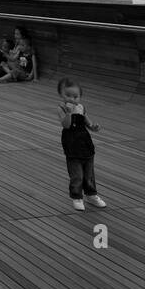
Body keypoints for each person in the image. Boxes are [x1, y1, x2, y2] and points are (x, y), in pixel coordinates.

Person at [57, 79, 106, 211]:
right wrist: (68, 113)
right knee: (77, 173)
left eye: (76, 96)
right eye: (68, 95)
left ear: (80, 97)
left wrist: (94, 127)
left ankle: (91, 195)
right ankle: (77, 197)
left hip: (84, 141)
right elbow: (66, 125)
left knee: (89, 172)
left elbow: (88, 124)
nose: (72, 99)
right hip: (71, 142)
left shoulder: (81, 108)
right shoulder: (61, 108)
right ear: (61, 95)